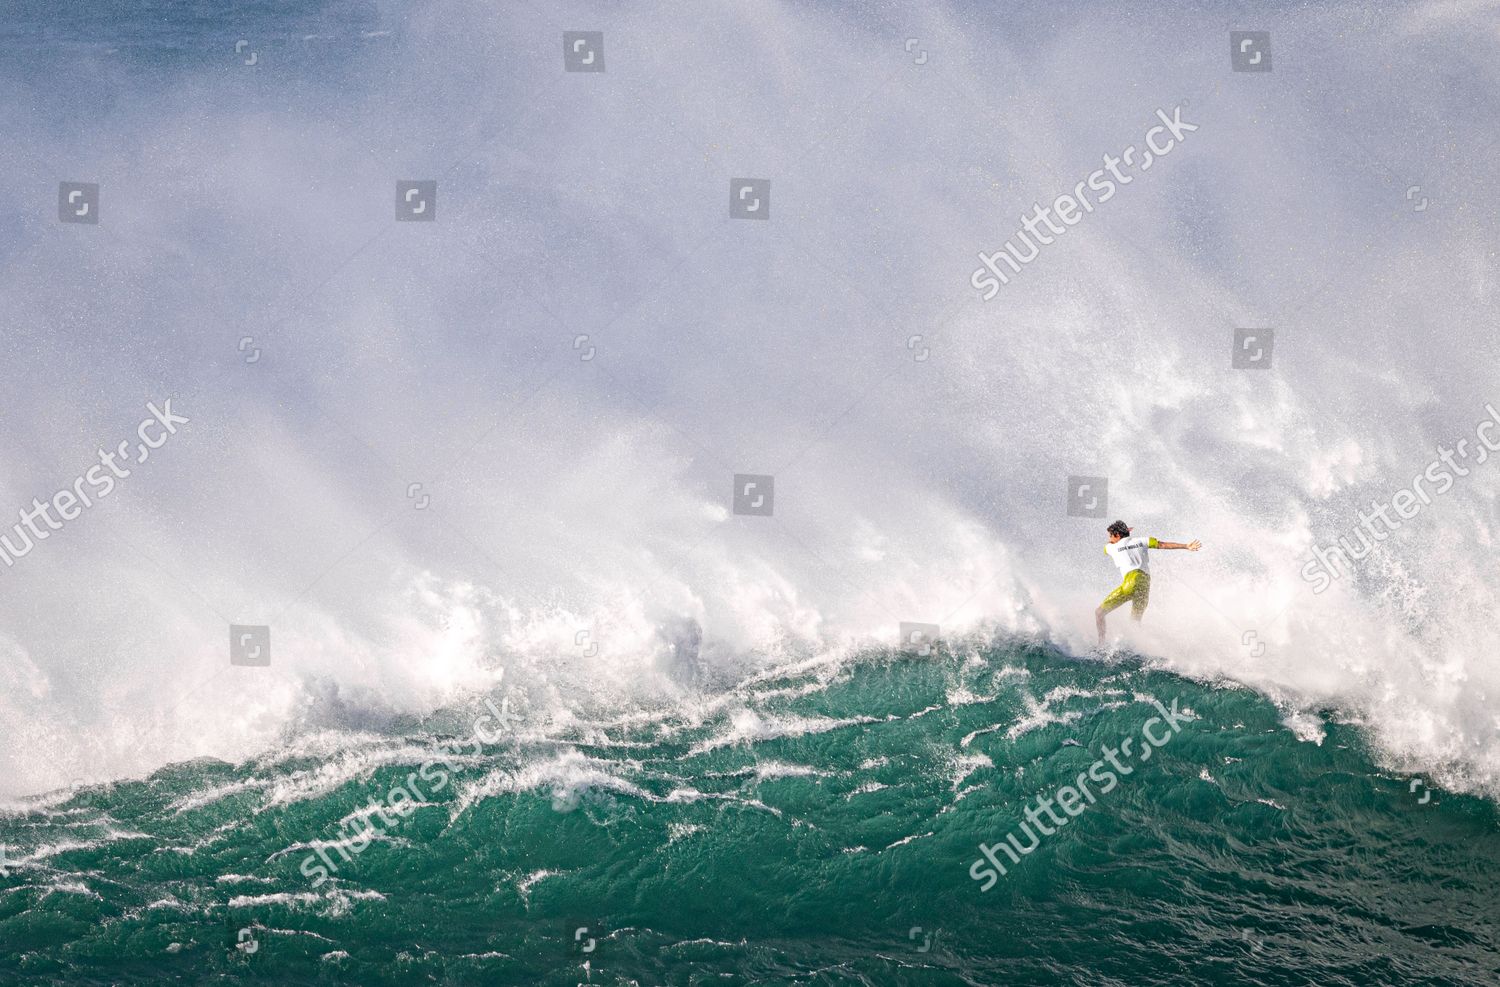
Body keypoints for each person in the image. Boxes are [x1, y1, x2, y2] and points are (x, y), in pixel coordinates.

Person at [1095, 520, 1200, 644]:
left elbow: (1108, 545)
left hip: (1130, 582)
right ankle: (1137, 647)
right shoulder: (1142, 541)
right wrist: (1186, 546)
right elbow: (1163, 545)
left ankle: (1101, 644)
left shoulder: (1111, 547)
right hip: (1144, 585)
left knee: (1099, 613)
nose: (1109, 539)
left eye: (1110, 536)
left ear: (1117, 535)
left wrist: (1121, 534)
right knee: (1135, 622)